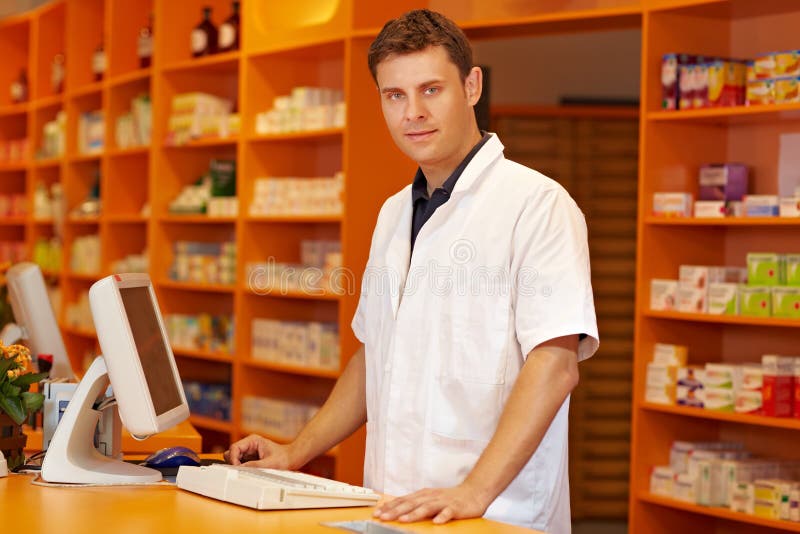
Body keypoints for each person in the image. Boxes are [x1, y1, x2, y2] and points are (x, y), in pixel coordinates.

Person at [225, 9, 598, 533]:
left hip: (495, 514)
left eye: (431, 89)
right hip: (390, 507)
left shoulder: (537, 205)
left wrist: (474, 492)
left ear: (471, 86)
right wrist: (295, 453)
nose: (413, 113)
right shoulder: (395, 212)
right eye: (394, 95)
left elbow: (555, 365)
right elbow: (375, 354)